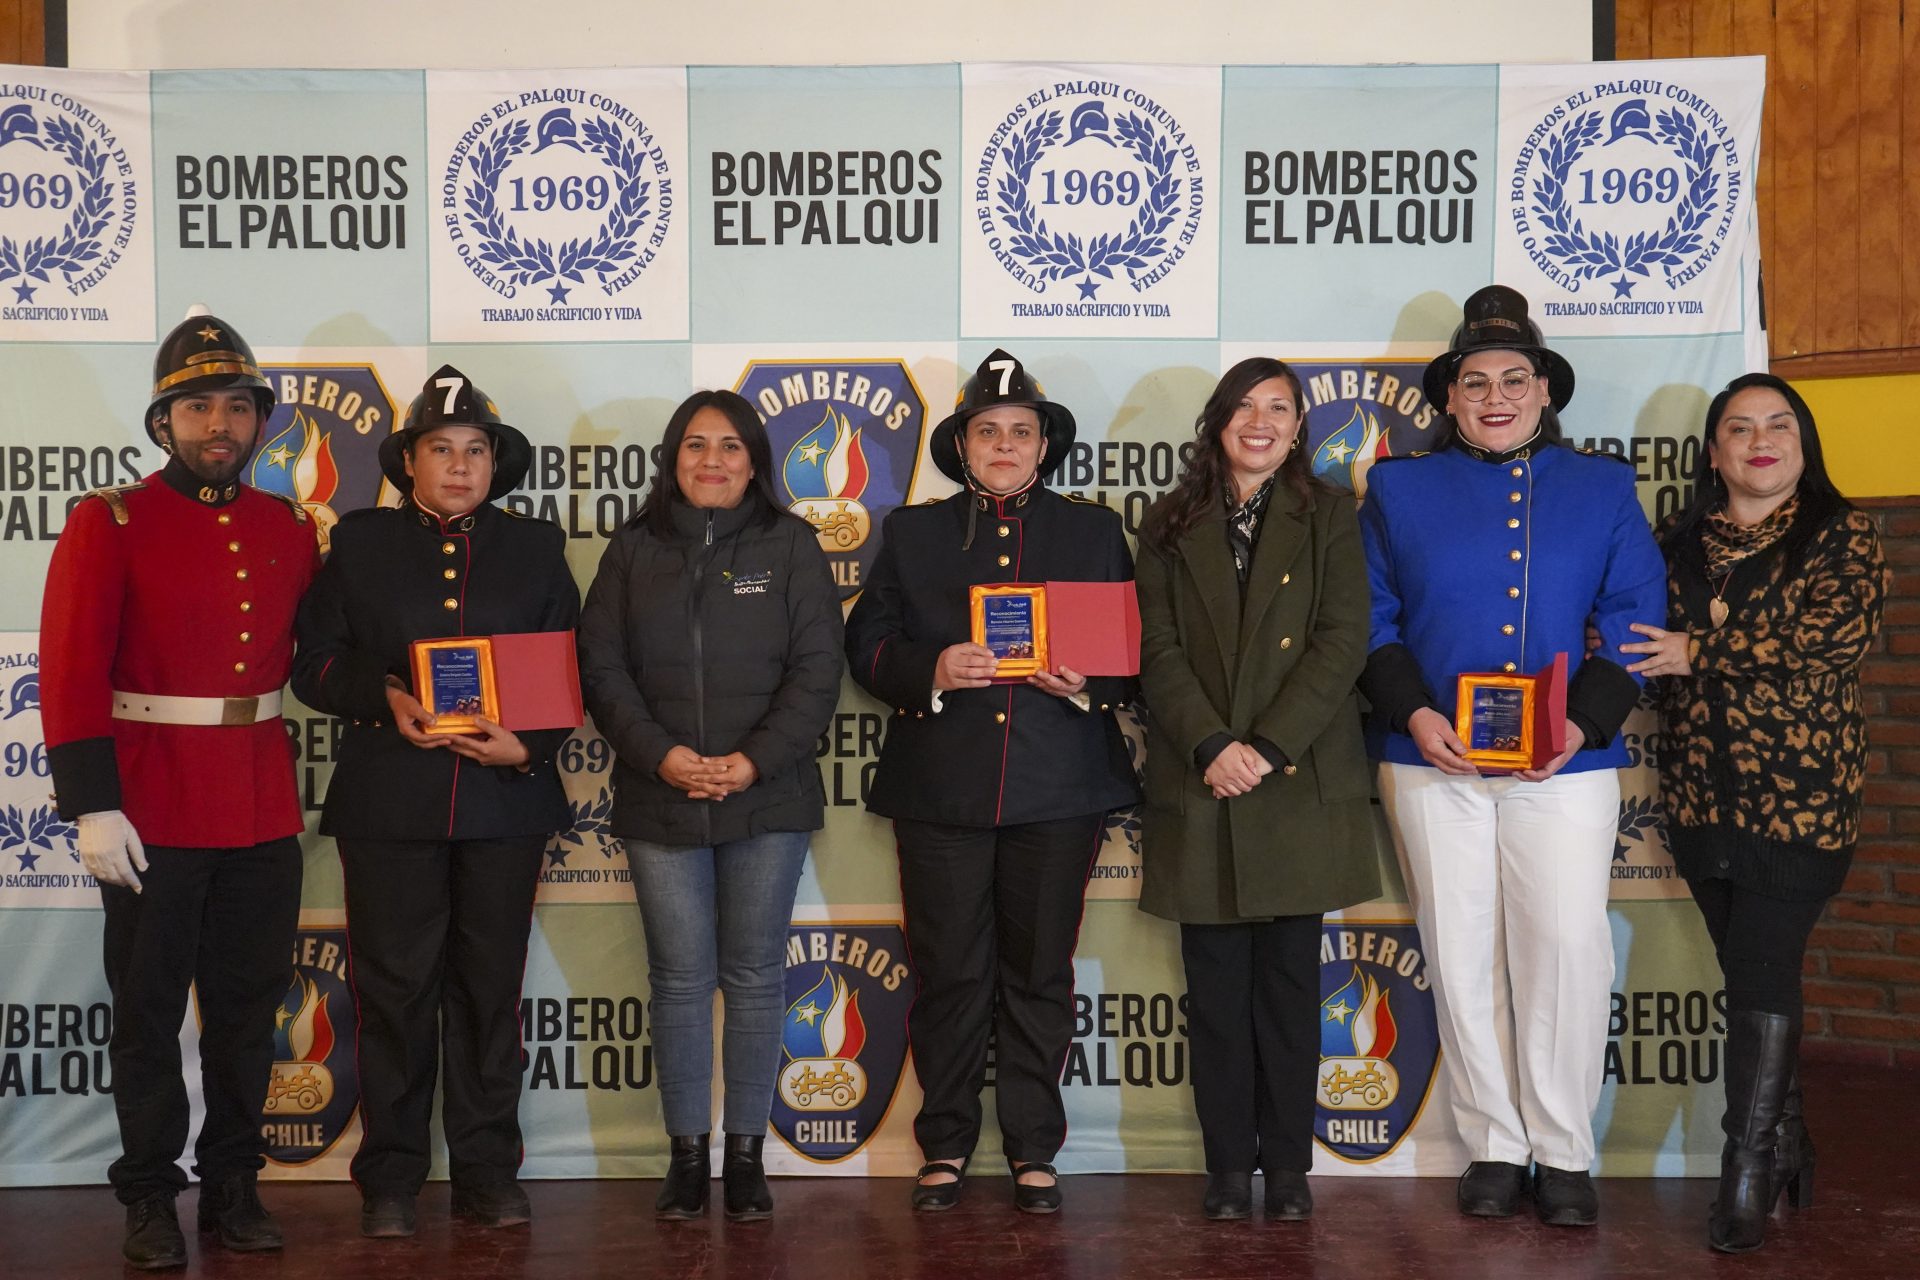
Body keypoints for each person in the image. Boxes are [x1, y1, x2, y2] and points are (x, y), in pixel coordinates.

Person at [1357, 285, 1666, 1227]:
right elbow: (1371, 618)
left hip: (1565, 764)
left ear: (1544, 391)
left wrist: (1580, 725)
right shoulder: (1397, 487)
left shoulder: (1604, 486)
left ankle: (1563, 1149)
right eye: (1475, 382)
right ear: (1448, 398)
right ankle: (1493, 1143)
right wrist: (1414, 715)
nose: (1496, 397)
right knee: (1459, 950)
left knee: (1566, 950)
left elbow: (1636, 625)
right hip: (1430, 758)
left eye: (1515, 379)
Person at [39, 309, 319, 1269]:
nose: (218, 425)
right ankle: (151, 1194)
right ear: (163, 424)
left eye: (236, 407)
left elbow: (316, 666)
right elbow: (72, 664)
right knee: (149, 1013)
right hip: (149, 806)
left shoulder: (288, 527)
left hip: (259, 804)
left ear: (259, 422)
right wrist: (91, 801)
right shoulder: (108, 519)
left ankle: (235, 1185)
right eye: (197, 406)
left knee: (249, 1011)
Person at [844, 349, 1140, 1214]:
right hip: (942, 787)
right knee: (949, 972)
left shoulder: (1092, 532)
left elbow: (1133, 659)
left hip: (1060, 787)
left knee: (1039, 973)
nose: (1005, 445)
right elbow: (867, 648)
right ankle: (943, 1147)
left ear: (1044, 447)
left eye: (1022, 432)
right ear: (962, 445)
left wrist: (1092, 683)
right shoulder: (913, 534)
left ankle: (1034, 1150)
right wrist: (932, 665)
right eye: (988, 431)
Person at [291, 367, 579, 1238]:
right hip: (392, 807)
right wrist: (388, 699)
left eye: (476, 451)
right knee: (395, 994)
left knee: (490, 993)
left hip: (504, 803)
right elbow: (315, 665)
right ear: (409, 460)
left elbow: (570, 674)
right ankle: (390, 1179)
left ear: (497, 464)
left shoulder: (535, 550)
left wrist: (527, 747)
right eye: (441, 449)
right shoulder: (362, 542)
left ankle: (490, 1172)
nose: (460, 466)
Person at [1619, 373, 1885, 1253]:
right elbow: (1631, 634)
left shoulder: (1841, 534)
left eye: (1779, 426)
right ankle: (1793, 1143)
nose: (1760, 440)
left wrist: (1696, 649)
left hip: (1801, 803)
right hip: (1700, 798)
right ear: (1714, 451)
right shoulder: (1677, 542)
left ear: (1803, 444)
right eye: (1740, 428)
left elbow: (1827, 642)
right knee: (1751, 974)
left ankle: (1746, 1171)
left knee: (1764, 967)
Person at [577, 390, 843, 1222]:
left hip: (767, 798)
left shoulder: (792, 544)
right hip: (661, 798)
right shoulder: (631, 550)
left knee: (757, 979)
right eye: (695, 446)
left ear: (756, 462)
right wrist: (663, 757)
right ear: (672, 458)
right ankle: (687, 1156)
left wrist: (748, 762)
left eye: (730, 447)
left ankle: (746, 1156)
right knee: (680, 982)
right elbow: (602, 670)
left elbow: (816, 671)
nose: (713, 461)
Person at [1135, 357, 1381, 1222]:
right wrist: (1211, 743)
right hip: (1203, 782)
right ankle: (1226, 1172)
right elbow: (1154, 650)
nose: (1261, 420)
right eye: (1245, 406)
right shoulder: (1168, 523)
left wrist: (1267, 746)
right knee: (1214, 1000)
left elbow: (1343, 639)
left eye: (1279, 407)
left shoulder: (1330, 516)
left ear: (1299, 425)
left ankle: (1287, 1170)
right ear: (1217, 421)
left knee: (1287, 992)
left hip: (1294, 779)